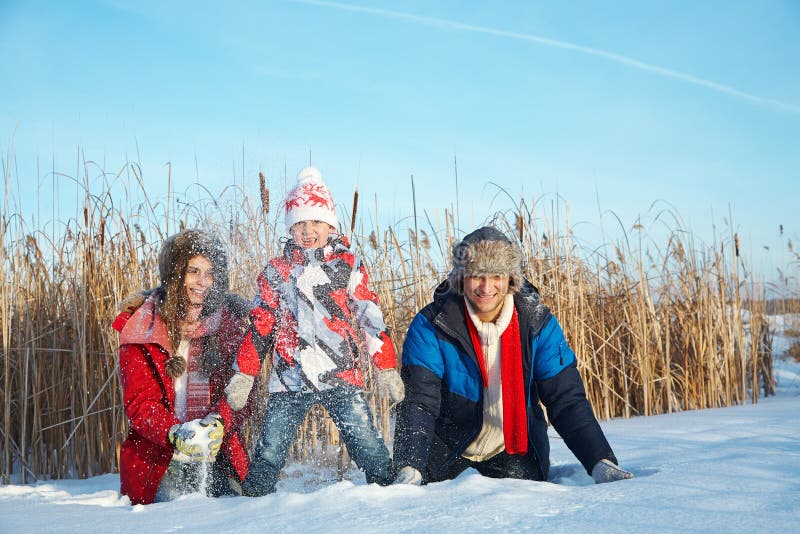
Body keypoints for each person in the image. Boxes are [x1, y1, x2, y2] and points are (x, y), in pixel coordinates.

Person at [392, 226, 633, 485]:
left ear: (510, 278)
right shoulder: (432, 324)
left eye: (496, 275)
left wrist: (599, 460)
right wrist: (410, 465)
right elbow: (420, 401)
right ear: (462, 278)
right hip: (448, 447)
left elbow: (566, 399)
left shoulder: (537, 323)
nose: (486, 287)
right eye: (476, 275)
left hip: (513, 449)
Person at [224, 165, 405, 496]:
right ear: (290, 228)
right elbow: (261, 323)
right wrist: (246, 373)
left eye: (316, 221)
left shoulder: (348, 265)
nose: (308, 230)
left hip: (340, 373)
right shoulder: (277, 272)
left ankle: (390, 490)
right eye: (300, 223)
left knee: (365, 440)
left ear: (330, 224)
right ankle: (251, 499)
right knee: (270, 450)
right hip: (289, 376)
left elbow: (370, 316)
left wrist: (386, 366)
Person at [112, 229, 257, 504]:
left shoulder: (229, 324)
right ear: (175, 272)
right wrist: (176, 433)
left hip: (218, 457)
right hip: (161, 461)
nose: (203, 281)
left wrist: (220, 421)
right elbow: (140, 404)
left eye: (210, 273)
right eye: (193, 271)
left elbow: (243, 393)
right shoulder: (142, 326)